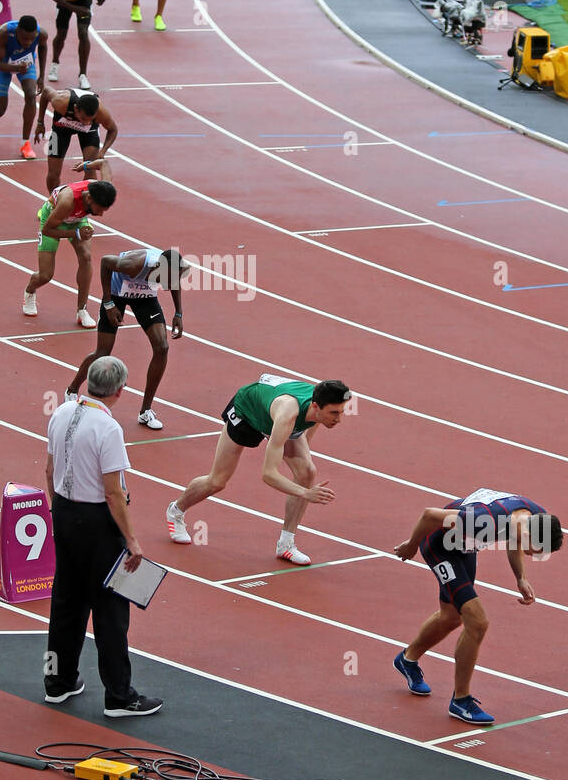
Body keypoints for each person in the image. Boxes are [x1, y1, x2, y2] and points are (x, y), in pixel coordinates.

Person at [44, 355, 163, 717]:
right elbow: (113, 492)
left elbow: (50, 468)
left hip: (64, 511)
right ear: (121, 390)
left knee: (66, 600)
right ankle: (119, 696)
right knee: (111, 609)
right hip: (96, 521)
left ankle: (58, 682)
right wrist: (132, 540)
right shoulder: (108, 429)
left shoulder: (61, 412)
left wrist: (59, 510)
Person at [393, 488, 564, 725]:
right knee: (477, 622)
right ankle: (461, 701)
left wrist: (520, 578)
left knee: (451, 618)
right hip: (439, 546)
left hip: (465, 547)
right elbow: (429, 515)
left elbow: (514, 538)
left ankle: (407, 660)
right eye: (533, 550)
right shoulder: (484, 521)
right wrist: (412, 545)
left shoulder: (535, 516)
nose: (532, 555)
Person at [166, 375, 349, 565]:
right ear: (315, 406)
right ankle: (176, 511)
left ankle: (286, 544)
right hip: (247, 413)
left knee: (306, 472)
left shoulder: (319, 407)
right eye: (334, 413)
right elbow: (268, 474)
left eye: (341, 412)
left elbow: (305, 432)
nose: (339, 419)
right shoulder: (289, 414)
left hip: (274, 419)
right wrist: (305, 493)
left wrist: (302, 478)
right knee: (217, 481)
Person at [66, 247, 190, 430]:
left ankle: (145, 411)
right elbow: (106, 262)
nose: (169, 283)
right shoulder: (134, 264)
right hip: (116, 295)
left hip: (144, 298)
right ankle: (72, 390)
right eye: (167, 278)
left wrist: (178, 312)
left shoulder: (173, 269)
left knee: (162, 347)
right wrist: (108, 303)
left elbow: (175, 281)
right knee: (103, 352)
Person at [23, 178, 116, 328]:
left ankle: (82, 310)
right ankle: (30, 291)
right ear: (89, 198)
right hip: (53, 221)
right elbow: (47, 230)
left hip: (77, 220)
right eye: (99, 209)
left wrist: (87, 165)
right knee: (46, 275)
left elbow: (103, 165)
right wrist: (77, 234)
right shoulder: (67, 201)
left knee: (86, 257)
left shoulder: (98, 188)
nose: (100, 214)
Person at [0, 15, 48, 159]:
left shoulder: (41, 34)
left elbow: (43, 47)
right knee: (0, 109)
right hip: (4, 66)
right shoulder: (4, 33)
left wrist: (41, 76)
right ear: (17, 31)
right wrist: (15, 68)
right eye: (24, 39)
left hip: (26, 65)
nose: (28, 43)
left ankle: (25, 143)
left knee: (31, 95)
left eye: (31, 39)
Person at [34, 87, 118, 193]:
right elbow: (45, 92)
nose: (86, 123)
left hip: (88, 132)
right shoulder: (61, 102)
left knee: (90, 171)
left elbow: (113, 130)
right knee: (53, 173)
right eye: (83, 119)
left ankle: (87, 204)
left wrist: (102, 151)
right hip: (61, 129)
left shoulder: (101, 114)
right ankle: (53, 201)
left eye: (90, 120)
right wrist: (40, 122)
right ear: (75, 109)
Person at [46, 0, 112, 89]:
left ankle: (83, 75)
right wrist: (74, 8)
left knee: (83, 33)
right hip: (64, 0)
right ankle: (55, 63)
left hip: (84, 2)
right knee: (61, 34)